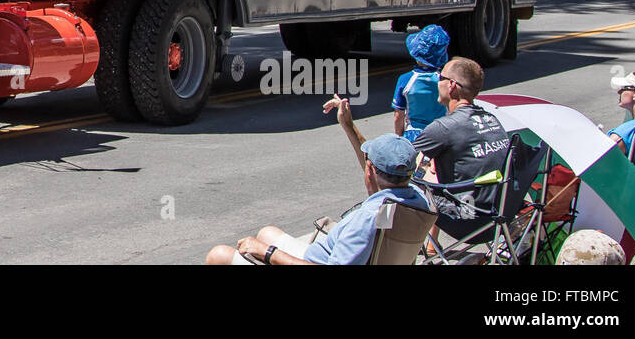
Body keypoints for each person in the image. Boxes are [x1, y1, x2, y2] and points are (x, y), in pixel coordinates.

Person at [205, 132, 429, 265]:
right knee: (267, 232)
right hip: (335, 255)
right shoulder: (417, 202)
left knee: (220, 255)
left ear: (369, 169)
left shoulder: (367, 221)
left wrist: (268, 253)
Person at [410, 57, 511, 238]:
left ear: (452, 86)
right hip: (501, 215)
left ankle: (399, 249)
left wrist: (349, 126)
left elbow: (396, 159)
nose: (436, 80)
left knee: (404, 179)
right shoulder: (492, 119)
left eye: (440, 76)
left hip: (468, 221)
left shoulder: (444, 128)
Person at [392, 24, 449, 141]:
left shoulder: (405, 79)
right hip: (441, 132)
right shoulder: (445, 80)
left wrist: (399, 138)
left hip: (415, 135)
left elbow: (399, 115)